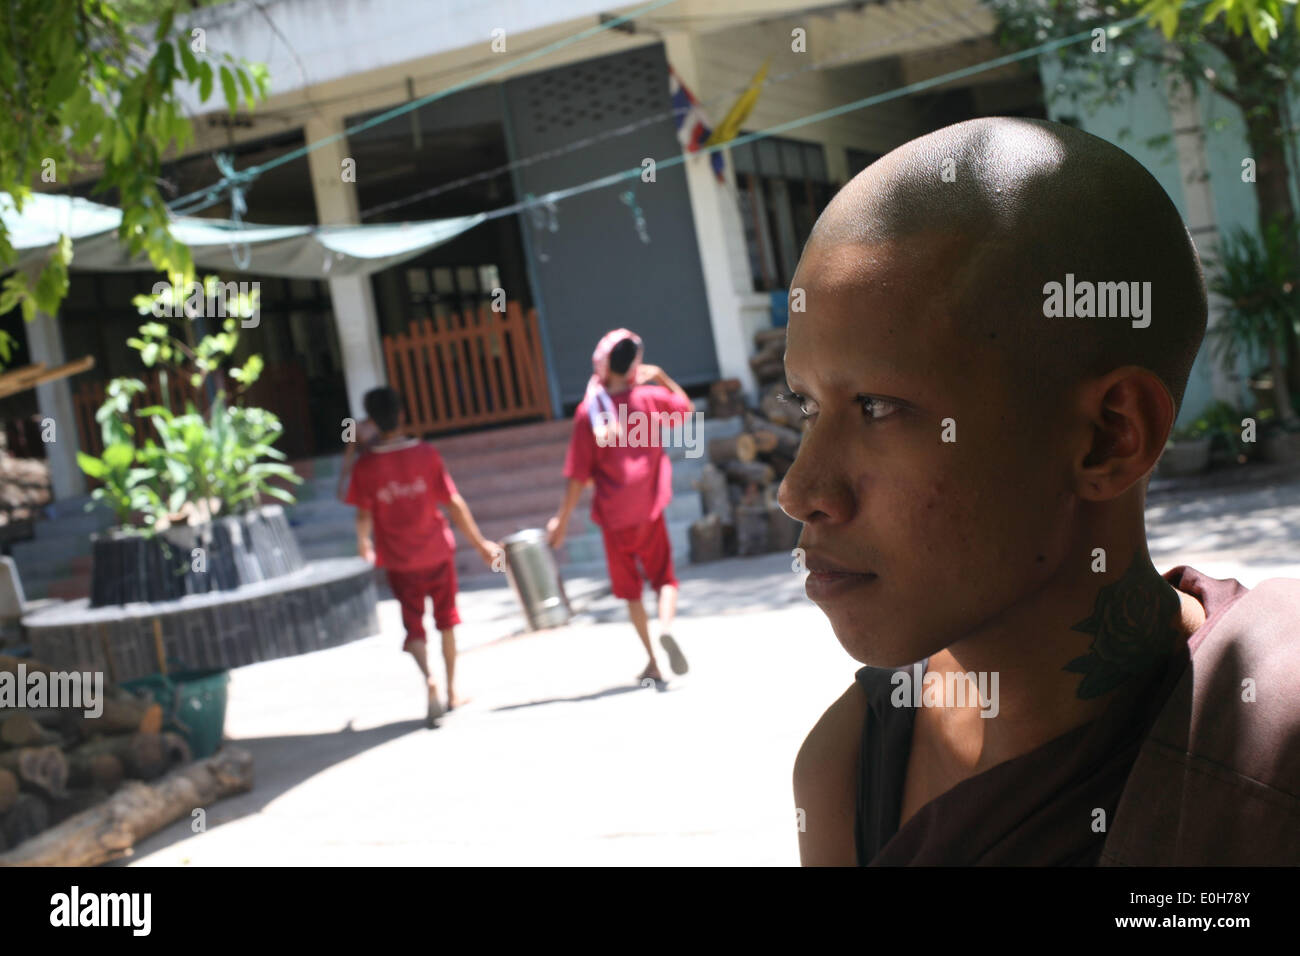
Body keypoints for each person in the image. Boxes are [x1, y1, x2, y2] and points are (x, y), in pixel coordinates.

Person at [784, 117, 1300, 865]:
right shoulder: (853, 764)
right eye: (804, 405)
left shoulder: (1269, 732)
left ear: (1108, 437)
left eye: (878, 408)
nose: (800, 491)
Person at [346, 386, 500, 727]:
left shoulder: (366, 466)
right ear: (401, 414)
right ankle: (452, 690)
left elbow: (362, 514)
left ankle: (428, 678)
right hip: (437, 553)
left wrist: (363, 544)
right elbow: (454, 503)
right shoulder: (427, 454)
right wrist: (480, 544)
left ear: (370, 420)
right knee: (447, 621)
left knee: (414, 627)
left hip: (400, 561)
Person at [547, 329, 695, 684]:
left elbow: (577, 477)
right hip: (649, 509)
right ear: (635, 365)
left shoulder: (589, 413)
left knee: (630, 591)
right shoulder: (649, 398)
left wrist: (562, 521)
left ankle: (652, 659)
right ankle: (666, 626)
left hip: (614, 517)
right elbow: (686, 410)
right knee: (665, 579)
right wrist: (660, 376)